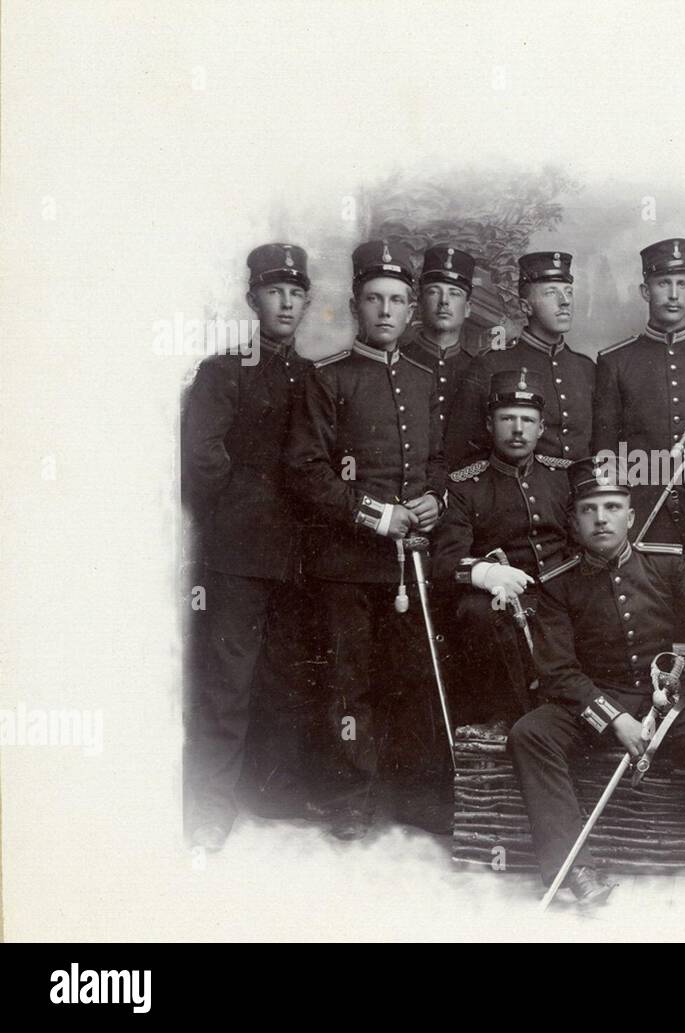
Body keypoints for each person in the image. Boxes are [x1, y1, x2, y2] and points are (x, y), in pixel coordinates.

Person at [507, 458, 685, 923]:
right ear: (574, 521)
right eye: (589, 509)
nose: (601, 518)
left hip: (664, 704)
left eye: (612, 506)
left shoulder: (667, 566)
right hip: (591, 706)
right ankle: (576, 871)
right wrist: (615, 720)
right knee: (529, 734)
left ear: (631, 515)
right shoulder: (557, 586)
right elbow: (558, 671)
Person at [286, 239, 449, 840]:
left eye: (398, 301)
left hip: (410, 565)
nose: (386, 310)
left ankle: (409, 795)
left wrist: (437, 499)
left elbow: (437, 462)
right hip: (347, 562)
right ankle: (350, 796)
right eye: (375, 299)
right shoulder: (326, 378)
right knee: (348, 681)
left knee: (409, 677)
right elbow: (306, 472)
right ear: (356, 305)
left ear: (411, 311)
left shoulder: (425, 378)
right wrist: (378, 517)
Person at [181, 242, 317, 850]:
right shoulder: (222, 371)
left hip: (297, 555)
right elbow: (203, 458)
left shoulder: (313, 377)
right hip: (236, 554)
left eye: (296, 293)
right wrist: (234, 513)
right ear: (251, 298)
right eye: (273, 291)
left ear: (307, 301)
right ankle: (210, 808)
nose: (286, 302)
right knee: (227, 680)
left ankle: (271, 791)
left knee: (285, 675)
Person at [430, 368, 573, 723]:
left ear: (541, 429)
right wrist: (486, 572)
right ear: (490, 426)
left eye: (528, 420)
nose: (518, 429)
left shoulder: (565, 477)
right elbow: (445, 561)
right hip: (502, 601)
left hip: (563, 592)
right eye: (508, 419)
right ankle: (506, 722)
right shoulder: (465, 485)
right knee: (478, 614)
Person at [590, 238, 685, 545]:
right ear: (645, 291)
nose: (674, 295)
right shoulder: (615, 361)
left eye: (683, 284)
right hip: (642, 512)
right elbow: (604, 450)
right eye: (663, 283)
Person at [445, 250, 594, 467]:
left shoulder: (586, 368)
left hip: (583, 495)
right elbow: (462, 448)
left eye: (569, 292)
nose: (565, 302)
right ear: (526, 306)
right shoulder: (491, 365)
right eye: (552, 293)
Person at [405, 244, 478, 443]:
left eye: (455, 293)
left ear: (468, 308)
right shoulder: (398, 361)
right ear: (419, 304)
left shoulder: (480, 370)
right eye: (433, 292)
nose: (444, 301)